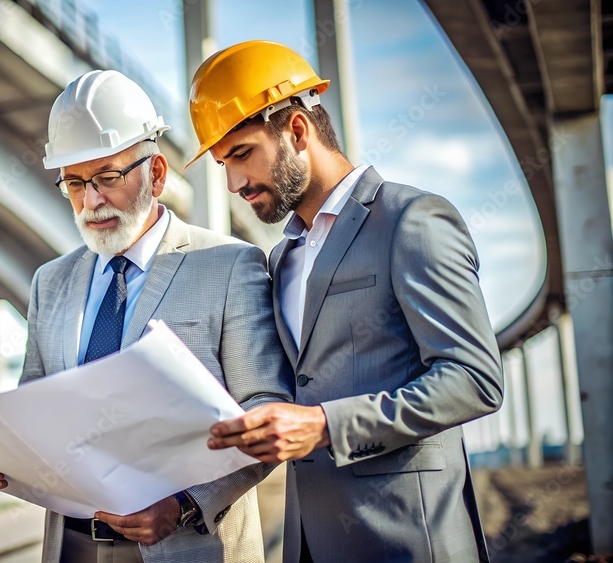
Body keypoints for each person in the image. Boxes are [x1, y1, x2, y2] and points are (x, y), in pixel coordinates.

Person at [0, 70, 294, 562]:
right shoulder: (52, 281)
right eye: (74, 183)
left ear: (155, 173)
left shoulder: (228, 264)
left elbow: (265, 406)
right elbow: (29, 413)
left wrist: (185, 503)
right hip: (71, 546)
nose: (91, 200)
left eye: (107, 177)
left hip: (190, 546)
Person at [188, 41, 505, 562]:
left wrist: (325, 426)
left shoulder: (412, 220)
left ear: (296, 130)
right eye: (223, 163)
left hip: (407, 539)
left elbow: (474, 381)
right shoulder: (280, 259)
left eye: (242, 155)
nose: (233, 183)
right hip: (310, 543)